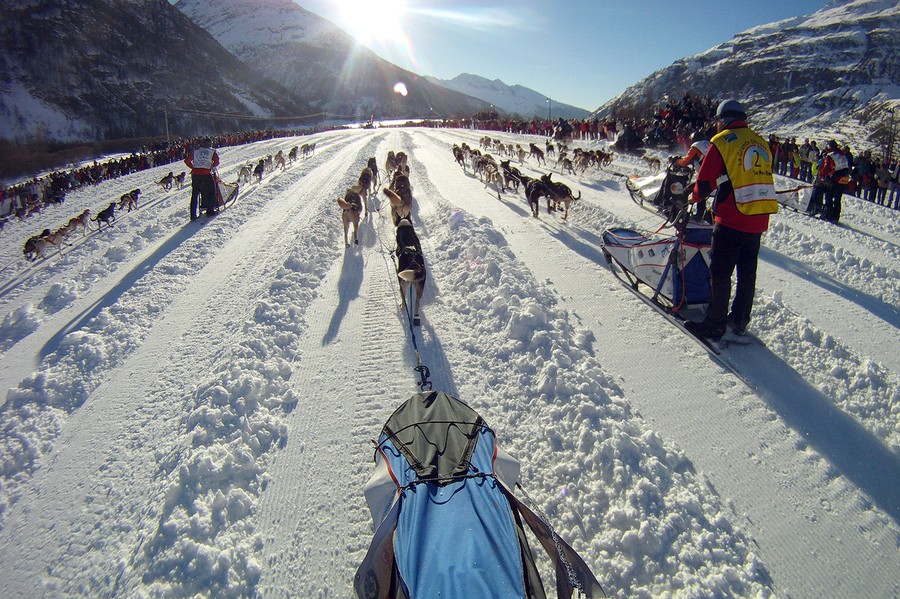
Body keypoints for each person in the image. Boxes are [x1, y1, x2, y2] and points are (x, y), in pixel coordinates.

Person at [684, 99, 778, 341]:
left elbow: (704, 182)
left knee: (720, 272)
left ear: (722, 120)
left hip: (732, 217)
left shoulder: (722, 141)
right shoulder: (760, 141)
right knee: (748, 272)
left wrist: (694, 197)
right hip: (759, 217)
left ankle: (714, 324)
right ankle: (740, 319)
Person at [185, 137, 220, 220]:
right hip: (206, 173)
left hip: (195, 174)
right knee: (211, 191)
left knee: (195, 194)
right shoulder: (212, 151)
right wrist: (211, 166)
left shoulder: (196, 151)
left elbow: (187, 160)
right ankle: (210, 211)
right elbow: (217, 162)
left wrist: (193, 167)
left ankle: (193, 215)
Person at [819, 139, 851, 223]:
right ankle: (835, 217)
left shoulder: (830, 156)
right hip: (843, 180)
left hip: (835, 179)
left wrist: (822, 176)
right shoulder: (842, 155)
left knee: (828, 196)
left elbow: (826, 168)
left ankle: (828, 215)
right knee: (837, 199)